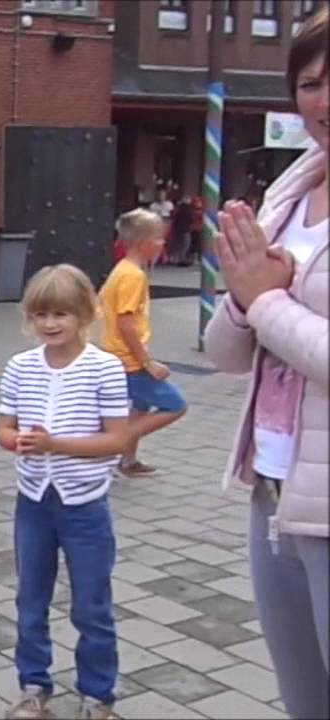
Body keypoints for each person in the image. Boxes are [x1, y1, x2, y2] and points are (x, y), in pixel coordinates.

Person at [204, 10, 328, 719]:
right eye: (309, 83)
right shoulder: (286, 196)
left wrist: (268, 299)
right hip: (275, 487)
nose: (324, 100)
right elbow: (227, 356)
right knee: (304, 701)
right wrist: (246, 299)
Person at [0, 265, 130, 720]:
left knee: (92, 603)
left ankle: (98, 695)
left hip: (85, 504)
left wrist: (56, 444)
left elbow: (116, 440)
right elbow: (3, 427)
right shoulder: (20, 366)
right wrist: (13, 440)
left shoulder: (105, 367)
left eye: (61, 314)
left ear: (85, 314)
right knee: (30, 597)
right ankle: (33, 686)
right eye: (40, 315)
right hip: (32, 500)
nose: (50, 324)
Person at [98, 209, 188, 477]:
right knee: (175, 404)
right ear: (143, 243)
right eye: (159, 238)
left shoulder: (123, 271)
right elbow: (126, 324)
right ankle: (112, 443)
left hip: (120, 357)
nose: (163, 244)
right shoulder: (132, 277)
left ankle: (127, 462)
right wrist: (147, 363)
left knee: (140, 406)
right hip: (128, 363)